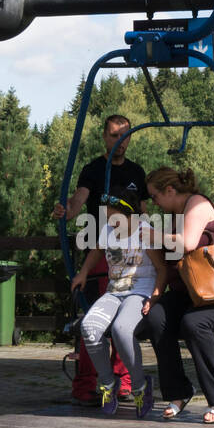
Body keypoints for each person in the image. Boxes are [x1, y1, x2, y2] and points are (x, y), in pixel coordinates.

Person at [53, 115, 147, 404]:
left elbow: (143, 211)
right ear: (104, 137)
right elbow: (78, 202)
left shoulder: (136, 171)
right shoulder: (93, 170)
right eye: (113, 135)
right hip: (101, 252)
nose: (119, 141)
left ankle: (124, 383)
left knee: (125, 319)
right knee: (95, 319)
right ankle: (85, 387)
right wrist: (65, 211)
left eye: (124, 135)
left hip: (130, 253)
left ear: (130, 137)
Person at [141, 167, 214, 424]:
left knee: (194, 323)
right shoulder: (174, 213)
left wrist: (153, 234)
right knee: (156, 318)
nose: (154, 203)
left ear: (170, 190)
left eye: (155, 196)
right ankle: (178, 391)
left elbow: (187, 243)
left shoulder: (197, 205)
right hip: (192, 292)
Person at [71, 187, 166, 417]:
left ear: (131, 216)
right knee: (89, 327)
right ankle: (107, 384)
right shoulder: (107, 230)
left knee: (121, 329)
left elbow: (162, 269)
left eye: (115, 218)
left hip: (140, 291)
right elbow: (96, 251)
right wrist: (83, 272)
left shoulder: (145, 232)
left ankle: (140, 385)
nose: (111, 223)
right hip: (114, 292)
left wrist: (155, 295)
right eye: (108, 217)